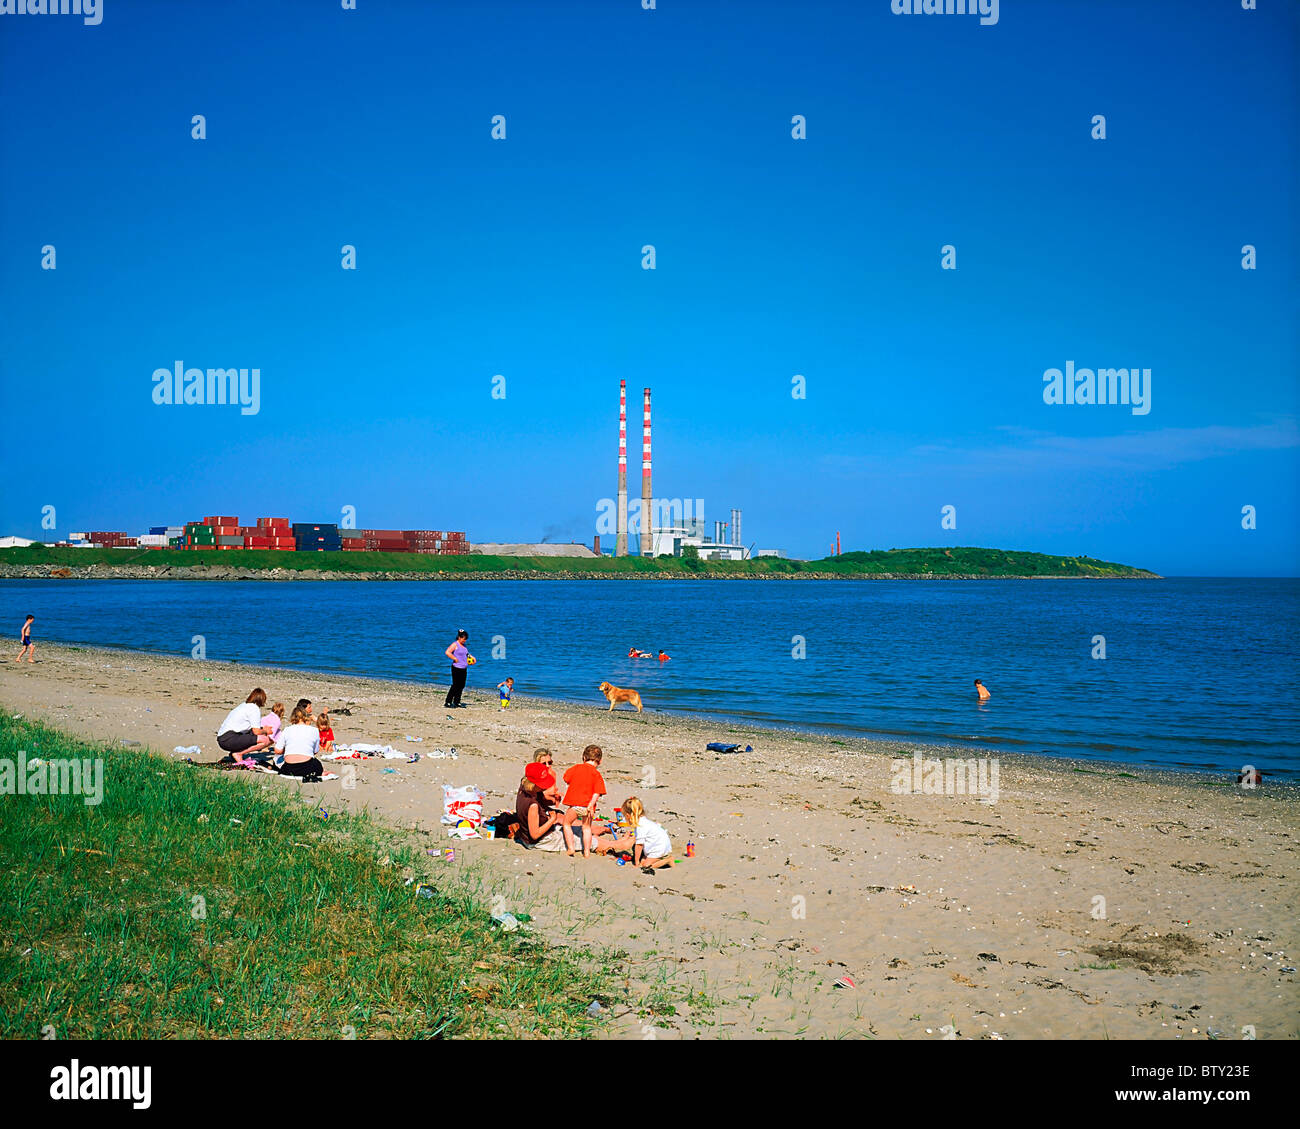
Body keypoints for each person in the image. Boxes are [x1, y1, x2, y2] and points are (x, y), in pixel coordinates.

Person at [604, 796, 674, 872]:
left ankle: (668, 860)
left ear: (628, 816)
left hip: (659, 849)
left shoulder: (641, 826)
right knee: (643, 862)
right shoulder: (642, 821)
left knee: (645, 865)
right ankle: (660, 859)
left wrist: (636, 863)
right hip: (658, 846)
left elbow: (639, 845)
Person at [560, 745, 607, 858]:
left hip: (575, 806)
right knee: (586, 828)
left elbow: (566, 778)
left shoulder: (576, 768)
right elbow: (597, 792)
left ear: (584, 757)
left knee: (566, 824)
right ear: (599, 761)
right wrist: (591, 804)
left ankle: (571, 848)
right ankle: (586, 852)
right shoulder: (597, 774)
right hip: (587, 807)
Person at [515, 762, 569, 851]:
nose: (544, 788)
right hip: (539, 841)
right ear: (534, 784)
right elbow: (535, 835)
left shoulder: (523, 788)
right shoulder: (533, 805)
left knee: (575, 828)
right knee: (587, 839)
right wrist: (552, 819)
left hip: (525, 836)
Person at [216, 689, 274, 759]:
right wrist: (266, 731)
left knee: (261, 734)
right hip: (228, 739)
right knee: (265, 740)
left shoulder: (244, 705)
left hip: (223, 738)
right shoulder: (254, 708)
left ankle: (235, 753)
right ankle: (238, 753)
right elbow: (256, 731)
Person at [275, 706, 323, 780]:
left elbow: (277, 750)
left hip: (289, 768)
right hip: (307, 766)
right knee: (317, 764)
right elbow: (315, 751)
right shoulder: (314, 730)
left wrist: (287, 750)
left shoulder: (287, 729)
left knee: (278, 760)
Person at [444, 630, 473, 708]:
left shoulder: (464, 646)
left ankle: (457, 701)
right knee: (455, 685)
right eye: (463, 639)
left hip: (464, 668)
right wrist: (454, 658)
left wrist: (472, 658)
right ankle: (448, 701)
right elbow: (447, 652)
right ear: (459, 637)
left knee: (462, 685)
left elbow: (467, 654)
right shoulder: (455, 644)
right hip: (456, 668)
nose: (464, 640)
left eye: (465, 639)